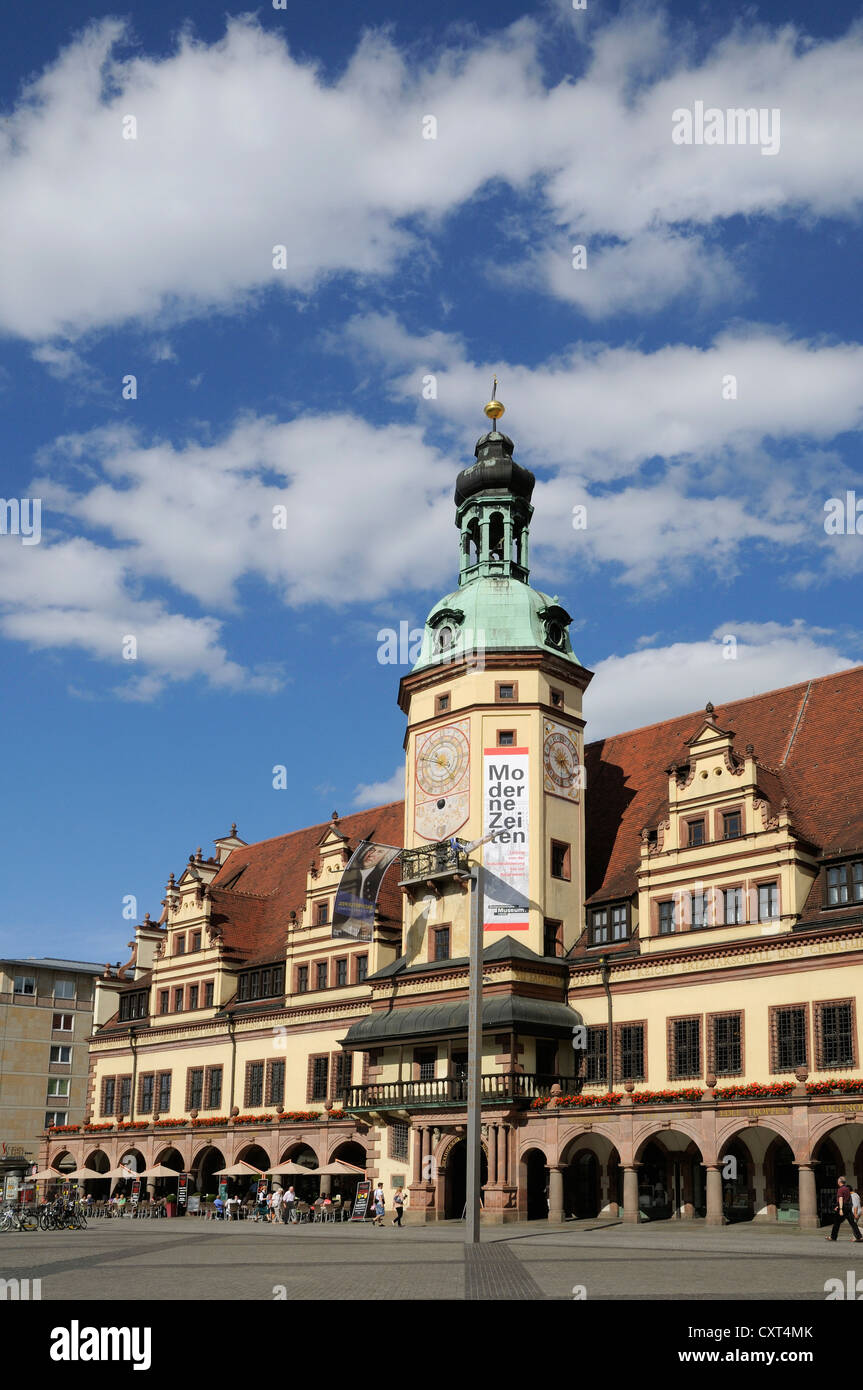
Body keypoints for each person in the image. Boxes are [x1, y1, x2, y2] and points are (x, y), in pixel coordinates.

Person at [825, 1176, 863, 1242]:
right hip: (848, 1207)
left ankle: (833, 1237)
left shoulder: (840, 1189)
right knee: (852, 1223)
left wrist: (840, 1209)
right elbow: (849, 1199)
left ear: (839, 1182)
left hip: (843, 1207)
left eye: (837, 1181)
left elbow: (841, 1198)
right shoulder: (847, 1189)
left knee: (836, 1223)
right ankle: (859, 1237)